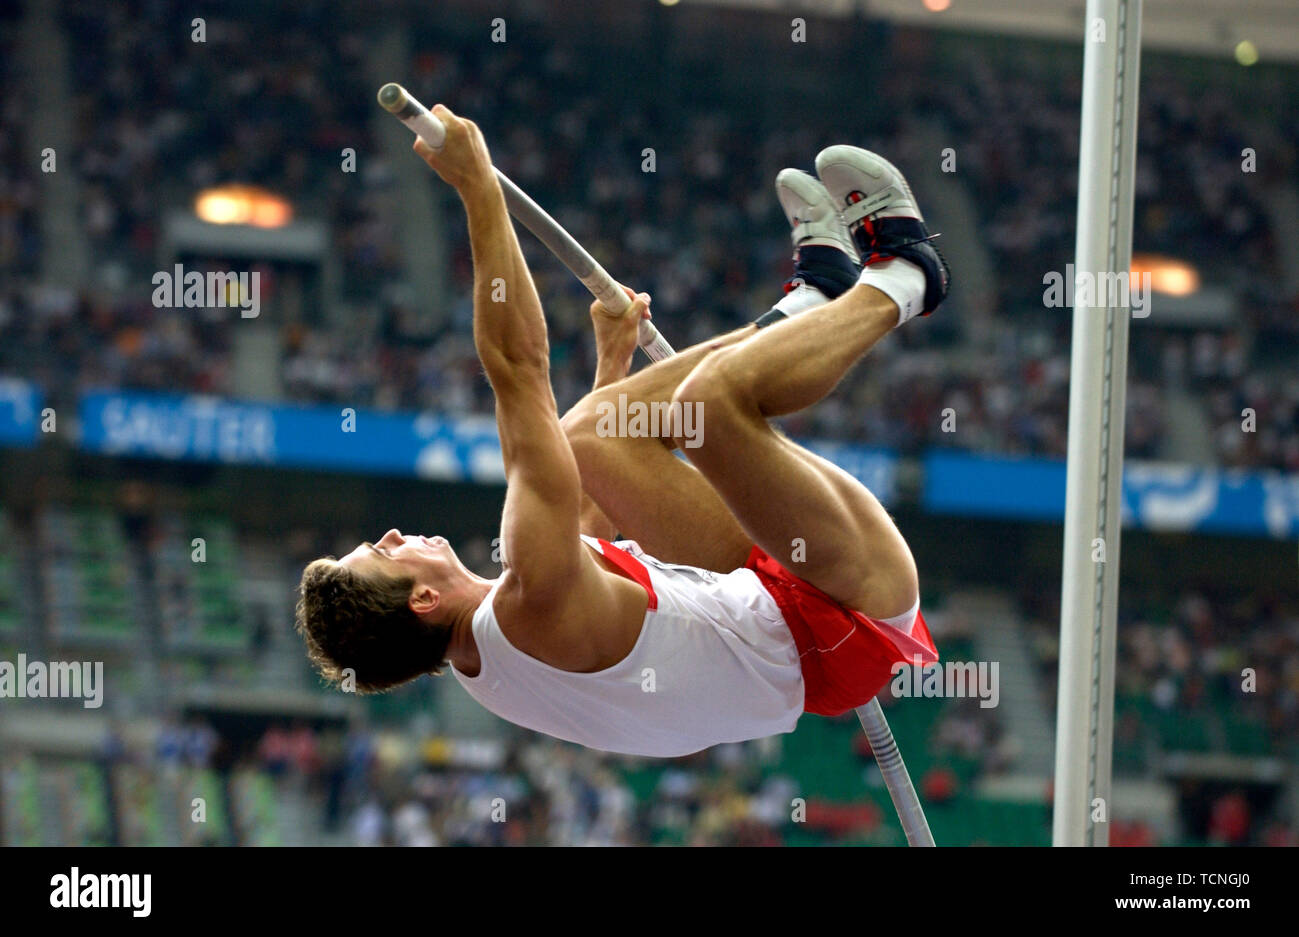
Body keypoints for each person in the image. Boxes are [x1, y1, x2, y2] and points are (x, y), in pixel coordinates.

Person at [295, 105, 949, 757]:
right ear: (425, 600)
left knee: (588, 440)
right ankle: (906, 275)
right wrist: (478, 187)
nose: (386, 535)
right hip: (844, 617)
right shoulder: (528, 599)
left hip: (768, 603)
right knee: (710, 407)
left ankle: (810, 302)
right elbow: (517, 368)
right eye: (381, 554)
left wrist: (612, 362)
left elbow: (585, 527)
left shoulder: (490, 660)